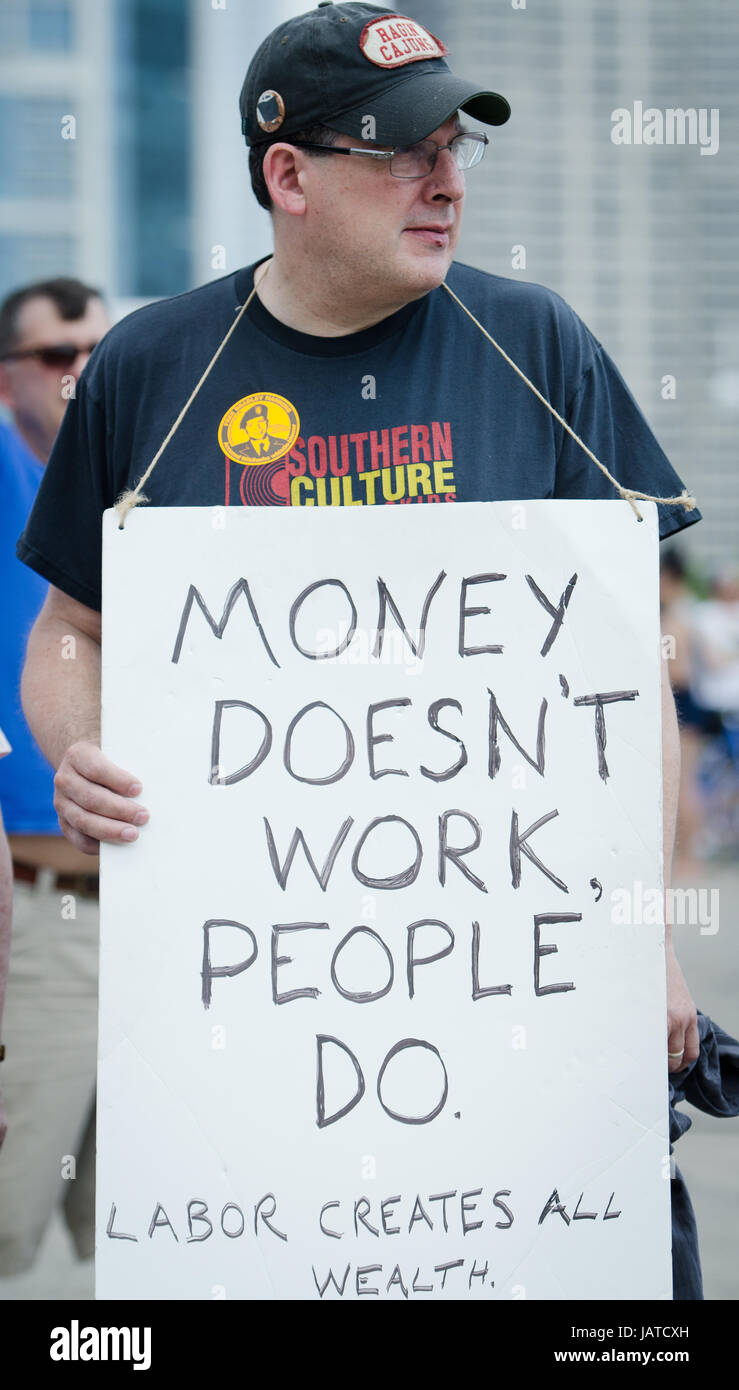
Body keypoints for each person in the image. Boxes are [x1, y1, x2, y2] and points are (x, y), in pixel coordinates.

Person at [16, 2, 704, 1293]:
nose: (444, 179)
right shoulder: (152, 368)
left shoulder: (536, 340)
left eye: (457, 146)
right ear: (286, 175)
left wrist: (645, 934)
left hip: (520, 1000)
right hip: (251, 1019)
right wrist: (79, 740)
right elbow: (69, 630)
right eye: (401, 149)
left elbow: (626, 666)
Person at [0, 277, 110, 1273]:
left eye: (95, 350)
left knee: (158, 1232)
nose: (81, 371)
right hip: (29, 917)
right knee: (4, 1222)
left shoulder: (139, 479)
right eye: (54, 354)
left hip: (166, 929)